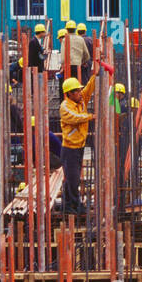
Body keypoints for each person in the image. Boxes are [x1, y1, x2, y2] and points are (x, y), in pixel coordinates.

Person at [59, 67, 98, 216]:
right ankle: (75, 204)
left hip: (79, 147)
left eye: (79, 90)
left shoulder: (81, 102)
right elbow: (75, 117)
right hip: (69, 149)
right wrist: (90, 116)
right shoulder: (65, 107)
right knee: (73, 179)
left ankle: (67, 204)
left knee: (71, 178)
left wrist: (95, 75)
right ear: (69, 93)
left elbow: (88, 90)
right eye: (76, 91)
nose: (80, 93)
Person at [65, 19, 91, 84]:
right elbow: (88, 53)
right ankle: (84, 93)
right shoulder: (90, 39)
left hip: (78, 63)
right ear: (85, 31)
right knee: (86, 79)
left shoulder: (75, 40)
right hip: (87, 62)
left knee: (76, 80)